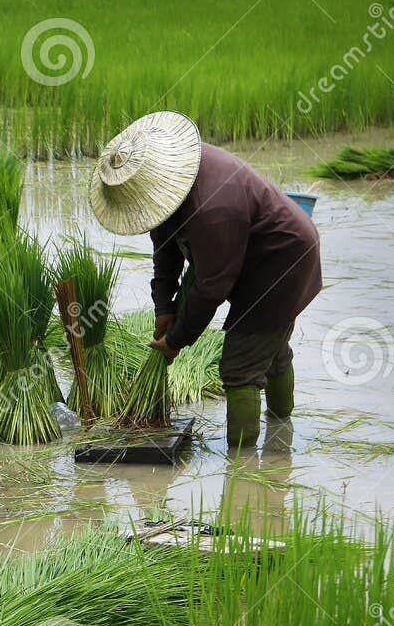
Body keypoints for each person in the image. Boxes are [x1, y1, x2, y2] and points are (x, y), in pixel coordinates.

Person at [88, 111, 321, 448]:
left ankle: (243, 466)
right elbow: (165, 251)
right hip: (249, 256)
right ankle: (281, 436)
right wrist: (164, 308)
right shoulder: (167, 184)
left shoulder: (212, 211)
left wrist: (175, 341)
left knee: (240, 366)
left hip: (282, 262)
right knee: (268, 349)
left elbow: (212, 286)